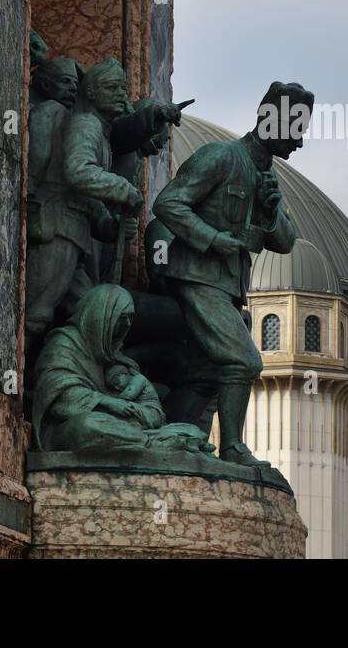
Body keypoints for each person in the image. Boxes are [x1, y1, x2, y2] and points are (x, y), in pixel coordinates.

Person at [152, 81, 313, 467]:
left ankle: (172, 438)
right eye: (296, 131)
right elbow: (168, 203)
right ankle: (233, 448)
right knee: (244, 362)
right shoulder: (220, 157)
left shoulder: (267, 177)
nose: (300, 143)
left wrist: (270, 210)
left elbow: (285, 241)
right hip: (196, 277)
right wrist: (212, 239)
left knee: (207, 371)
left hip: (226, 286)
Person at [30, 284, 213, 454]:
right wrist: (110, 403)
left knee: (187, 429)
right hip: (68, 428)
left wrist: (138, 410)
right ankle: (156, 443)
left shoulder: (116, 356)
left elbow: (153, 411)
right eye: (121, 317)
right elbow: (60, 400)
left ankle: (153, 441)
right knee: (87, 425)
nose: (125, 325)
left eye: (129, 319)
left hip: (123, 427)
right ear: (100, 315)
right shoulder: (64, 345)